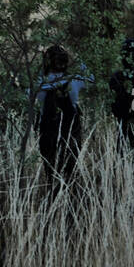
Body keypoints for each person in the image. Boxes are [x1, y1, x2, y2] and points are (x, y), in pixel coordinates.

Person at [33, 44, 90, 185]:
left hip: (47, 129)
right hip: (71, 129)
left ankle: (53, 196)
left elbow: (28, 90)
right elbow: (90, 77)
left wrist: (43, 64)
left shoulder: (39, 83)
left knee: (50, 171)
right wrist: (73, 56)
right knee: (70, 170)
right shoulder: (75, 80)